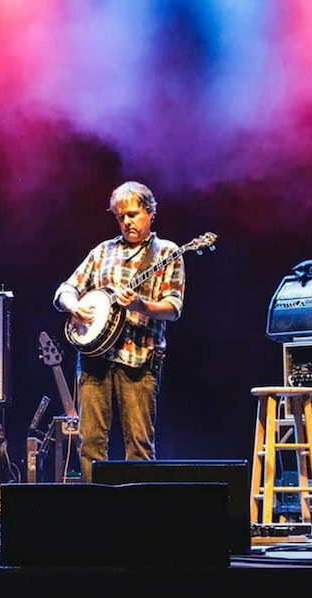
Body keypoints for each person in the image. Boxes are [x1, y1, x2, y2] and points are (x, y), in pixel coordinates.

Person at [54, 181, 187, 474]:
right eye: (120, 216)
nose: (126, 222)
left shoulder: (167, 252)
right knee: (90, 443)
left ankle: (137, 503)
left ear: (150, 212)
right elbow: (65, 289)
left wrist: (140, 305)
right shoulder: (103, 251)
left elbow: (173, 307)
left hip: (139, 357)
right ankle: (95, 501)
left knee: (139, 444)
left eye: (133, 214)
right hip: (94, 358)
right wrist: (74, 307)